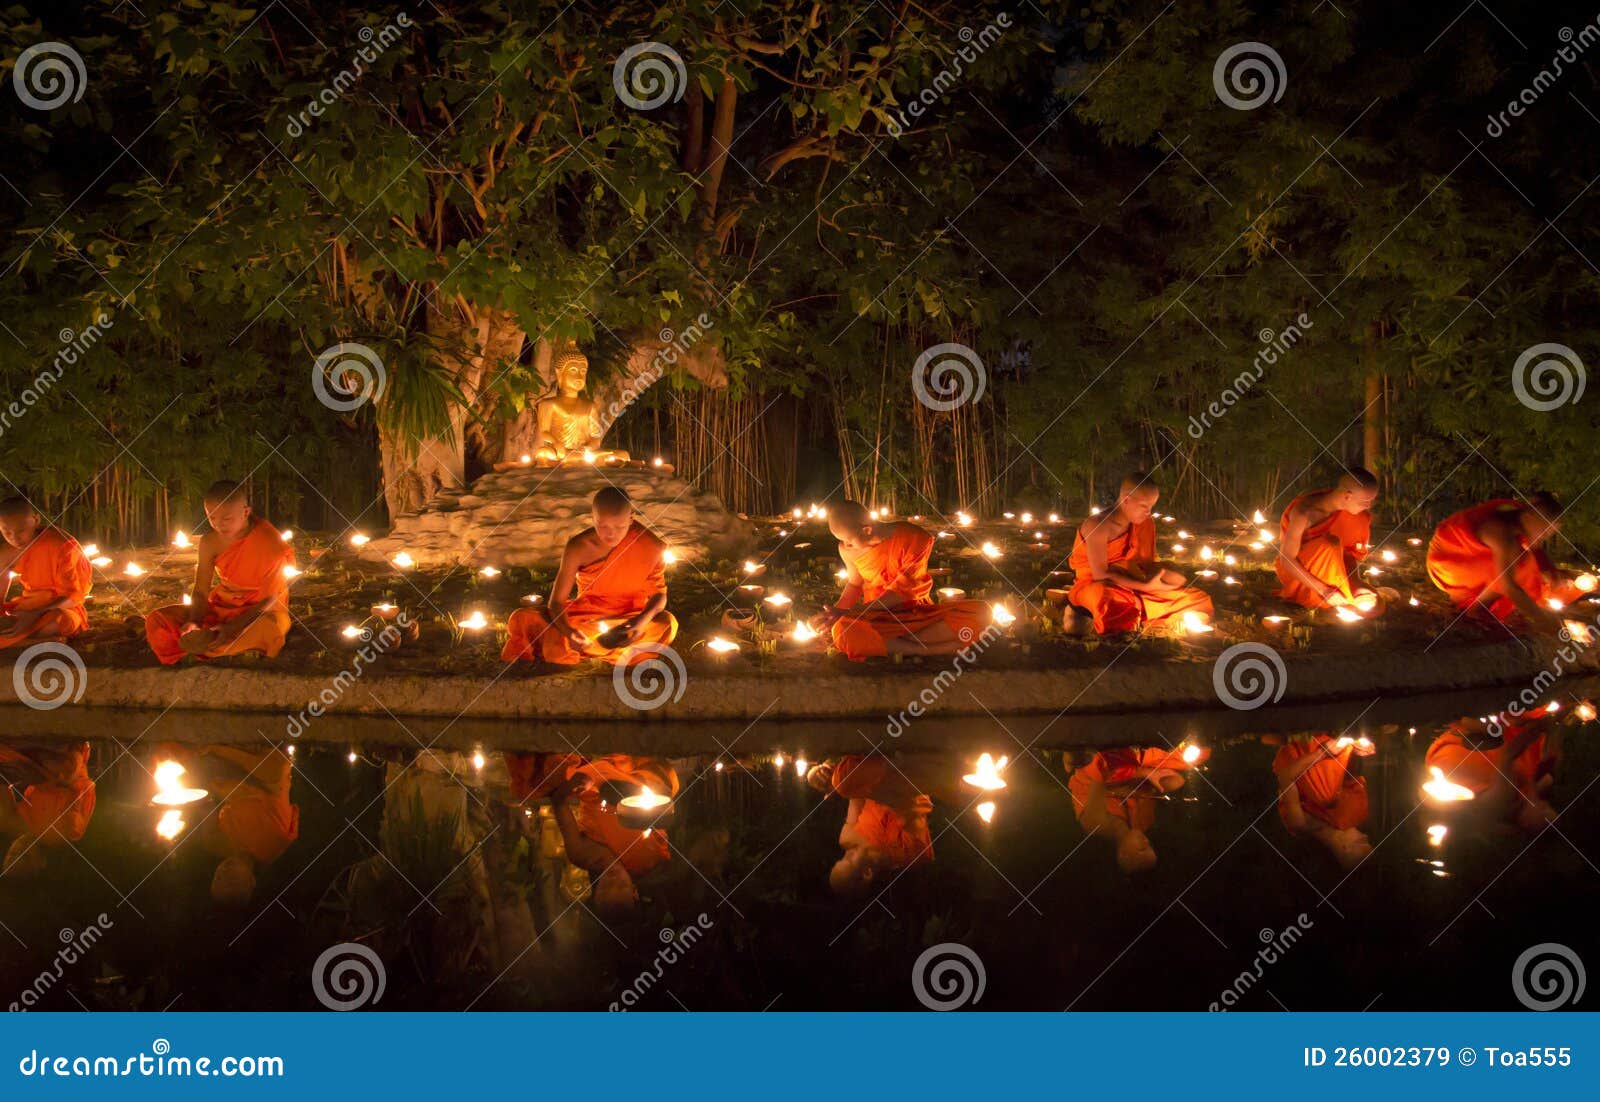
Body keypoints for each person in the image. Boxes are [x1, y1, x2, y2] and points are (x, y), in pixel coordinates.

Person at [502, 487, 676, 666]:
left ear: (631, 518)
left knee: (666, 622)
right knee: (522, 618)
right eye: (603, 526)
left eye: (619, 527)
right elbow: (555, 603)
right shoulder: (578, 547)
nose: (610, 534)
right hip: (586, 615)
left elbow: (659, 596)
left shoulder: (650, 545)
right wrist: (569, 631)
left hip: (629, 617)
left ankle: (588, 646)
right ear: (593, 519)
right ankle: (606, 647)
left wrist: (640, 622)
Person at [810, 501, 990, 660]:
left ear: (867, 530)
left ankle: (895, 643)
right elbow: (855, 584)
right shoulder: (847, 550)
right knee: (842, 632)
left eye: (848, 540)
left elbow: (902, 592)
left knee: (983, 613)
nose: (845, 545)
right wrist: (836, 613)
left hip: (917, 613)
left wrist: (854, 610)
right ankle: (932, 649)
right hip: (878, 617)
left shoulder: (913, 537)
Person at [503, 751, 678, 913]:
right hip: (643, 782)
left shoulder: (580, 853)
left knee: (533, 784)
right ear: (634, 891)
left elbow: (558, 801)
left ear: (595, 892)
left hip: (596, 785)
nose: (613, 880)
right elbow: (664, 810)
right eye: (621, 887)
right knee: (651, 785)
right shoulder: (648, 860)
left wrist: (574, 784)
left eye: (606, 888)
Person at [145, 480, 295, 663]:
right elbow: (201, 590)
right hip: (221, 608)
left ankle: (203, 649)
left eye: (226, 519)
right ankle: (215, 648)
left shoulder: (270, 543)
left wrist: (232, 628)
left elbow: (270, 600)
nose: (218, 525)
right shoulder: (209, 542)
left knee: (270, 629)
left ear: (245, 512)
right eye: (212, 518)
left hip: (260, 612)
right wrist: (194, 622)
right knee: (156, 620)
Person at [151, 743, 299, 904]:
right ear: (251, 881)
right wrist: (218, 750)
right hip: (262, 776)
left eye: (219, 878)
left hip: (226, 780)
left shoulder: (213, 843)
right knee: (273, 768)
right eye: (232, 881)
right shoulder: (273, 843)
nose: (225, 872)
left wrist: (176, 805)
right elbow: (274, 781)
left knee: (170, 754)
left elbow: (205, 807)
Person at [1068, 473, 1214, 634]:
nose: (1148, 512)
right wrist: (1145, 586)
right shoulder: (1098, 525)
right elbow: (1100, 575)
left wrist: (1166, 576)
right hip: (1097, 585)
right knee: (1109, 600)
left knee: (1197, 598)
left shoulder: (1145, 523)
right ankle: (1142, 610)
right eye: (1144, 506)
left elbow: (1144, 565)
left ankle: (1138, 610)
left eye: (1151, 507)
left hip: (1133, 581)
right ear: (1126, 499)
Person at [1426, 494, 1579, 633]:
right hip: (1449, 559)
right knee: (1521, 564)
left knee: (1524, 562)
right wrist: (1541, 619)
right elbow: (1509, 586)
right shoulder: (1500, 532)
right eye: (1544, 530)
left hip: (1469, 559)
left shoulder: (1519, 521)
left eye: (1550, 533)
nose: (1545, 536)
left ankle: (1480, 605)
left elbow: (1537, 550)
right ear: (1529, 517)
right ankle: (1478, 609)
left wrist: (1550, 569)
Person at [1067, 744, 1207, 873]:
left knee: (1097, 761)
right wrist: (1161, 780)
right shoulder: (1144, 823)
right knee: (1199, 756)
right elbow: (1158, 785)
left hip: (1102, 764)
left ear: (1123, 855)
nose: (1146, 841)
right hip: (1132, 766)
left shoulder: (1094, 823)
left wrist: (1144, 773)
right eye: (1150, 845)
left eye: (1142, 849)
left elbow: (1099, 778)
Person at [807, 754, 933, 896]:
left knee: (839, 781)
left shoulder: (847, 840)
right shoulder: (906, 854)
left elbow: (856, 798)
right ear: (867, 873)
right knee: (843, 781)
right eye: (848, 859)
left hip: (876, 778)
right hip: (905, 781)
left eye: (841, 858)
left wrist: (822, 777)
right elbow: (911, 803)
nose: (847, 852)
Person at [1424, 712, 1560, 833]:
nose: (1547, 808)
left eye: (1546, 820)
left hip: (1458, 758)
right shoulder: (1536, 777)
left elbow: (1508, 755)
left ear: (1526, 825)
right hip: (1488, 726)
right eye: (1550, 811)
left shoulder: (1499, 803)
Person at [1275, 468, 1381, 614]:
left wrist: (1356, 583)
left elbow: (1349, 554)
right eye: (1365, 501)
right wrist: (1324, 590)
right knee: (1329, 544)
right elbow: (1286, 559)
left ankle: (1347, 593)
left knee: (1375, 604)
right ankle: (1329, 596)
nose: (1368, 506)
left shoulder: (1353, 515)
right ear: (1347, 496)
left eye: (1371, 501)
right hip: (1300, 572)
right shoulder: (1304, 514)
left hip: (1333, 570)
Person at [0, 496, 92, 649]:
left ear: (36, 520)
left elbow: (74, 597)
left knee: (55, 623)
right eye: (7, 533)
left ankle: (21, 641)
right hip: (26, 607)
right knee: (10, 623)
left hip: (59, 609)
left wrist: (35, 614)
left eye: (21, 531)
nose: (14, 538)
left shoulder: (62, 545)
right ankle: (30, 641)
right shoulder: (8, 551)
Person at [1271, 733, 1373, 868]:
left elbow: (1285, 777)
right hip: (1334, 740)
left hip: (1301, 747)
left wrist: (1322, 752)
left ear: (1345, 848)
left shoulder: (1300, 823)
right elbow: (1341, 774)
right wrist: (1355, 747)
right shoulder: (1353, 814)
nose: (1364, 835)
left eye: (1362, 842)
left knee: (1326, 798)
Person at [0, 741, 96, 877]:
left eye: (12, 854)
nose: (20, 849)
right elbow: (77, 782)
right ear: (41, 862)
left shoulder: (17, 825)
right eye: (25, 857)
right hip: (62, 765)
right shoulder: (68, 831)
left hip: (43, 765)